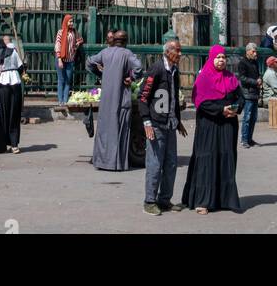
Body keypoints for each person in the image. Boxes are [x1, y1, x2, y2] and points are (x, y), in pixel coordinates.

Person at [181, 46, 244, 214]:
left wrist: (236, 109)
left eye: (223, 57)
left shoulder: (231, 78)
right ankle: (203, 201)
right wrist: (221, 110)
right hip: (209, 126)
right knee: (207, 161)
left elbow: (241, 96)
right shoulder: (203, 79)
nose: (221, 60)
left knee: (226, 159)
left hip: (228, 126)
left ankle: (225, 200)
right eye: (218, 57)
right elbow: (202, 103)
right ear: (211, 59)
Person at [138, 39, 187, 215]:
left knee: (171, 164)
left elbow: (172, 98)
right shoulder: (156, 69)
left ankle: (164, 199)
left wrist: (178, 120)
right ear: (168, 52)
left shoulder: (174, 72)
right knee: (155, 163)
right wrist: (146, 122)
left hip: (170, 124)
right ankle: (149, 201)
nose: (180, 54)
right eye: (178, 51)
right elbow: (143, 97)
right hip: (156, 124)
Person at [87, 30, 143, 171]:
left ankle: (102, 161)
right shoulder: (127, 54)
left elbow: (89, 62)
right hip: (121, 98)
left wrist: (101, 73)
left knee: (105, 129)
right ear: (125, 41)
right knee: (120, 129)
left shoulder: (105, 53)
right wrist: (131, 78)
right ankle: (116, 163)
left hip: (106, 98)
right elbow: (139, 68)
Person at [0, 36, 27, 154]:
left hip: (3, 84)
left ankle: (0, 144)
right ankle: (14, 144)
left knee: (3, 114)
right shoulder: (14, 52)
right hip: (15, 83)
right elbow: (20, 67)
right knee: (14, 114)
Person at [54, 14, 84, 108]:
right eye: (70, 21)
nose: (71, 23)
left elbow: (80, 40)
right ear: (65, 21)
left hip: (70, 60)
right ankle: (60, 101)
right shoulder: (61, 32)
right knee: (61, 80)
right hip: (61, 59)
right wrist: (59, 59)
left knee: (68, 81)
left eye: (72, 21)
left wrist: (76, 45)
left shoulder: (74, 32)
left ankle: (65, 101)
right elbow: (57, 45)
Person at [236, 42, 262, 148]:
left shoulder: (255, 63)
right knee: (247, 117)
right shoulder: (242, 63)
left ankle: (250, 139)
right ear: (248, 52)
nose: (255, 53)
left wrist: (259, 79)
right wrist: (255, 82)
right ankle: (244, 139)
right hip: (247, 94)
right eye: (253, 51)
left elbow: (257, 74)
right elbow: (242, 78)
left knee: (253, 118)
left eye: (256, 51)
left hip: (255, 93)